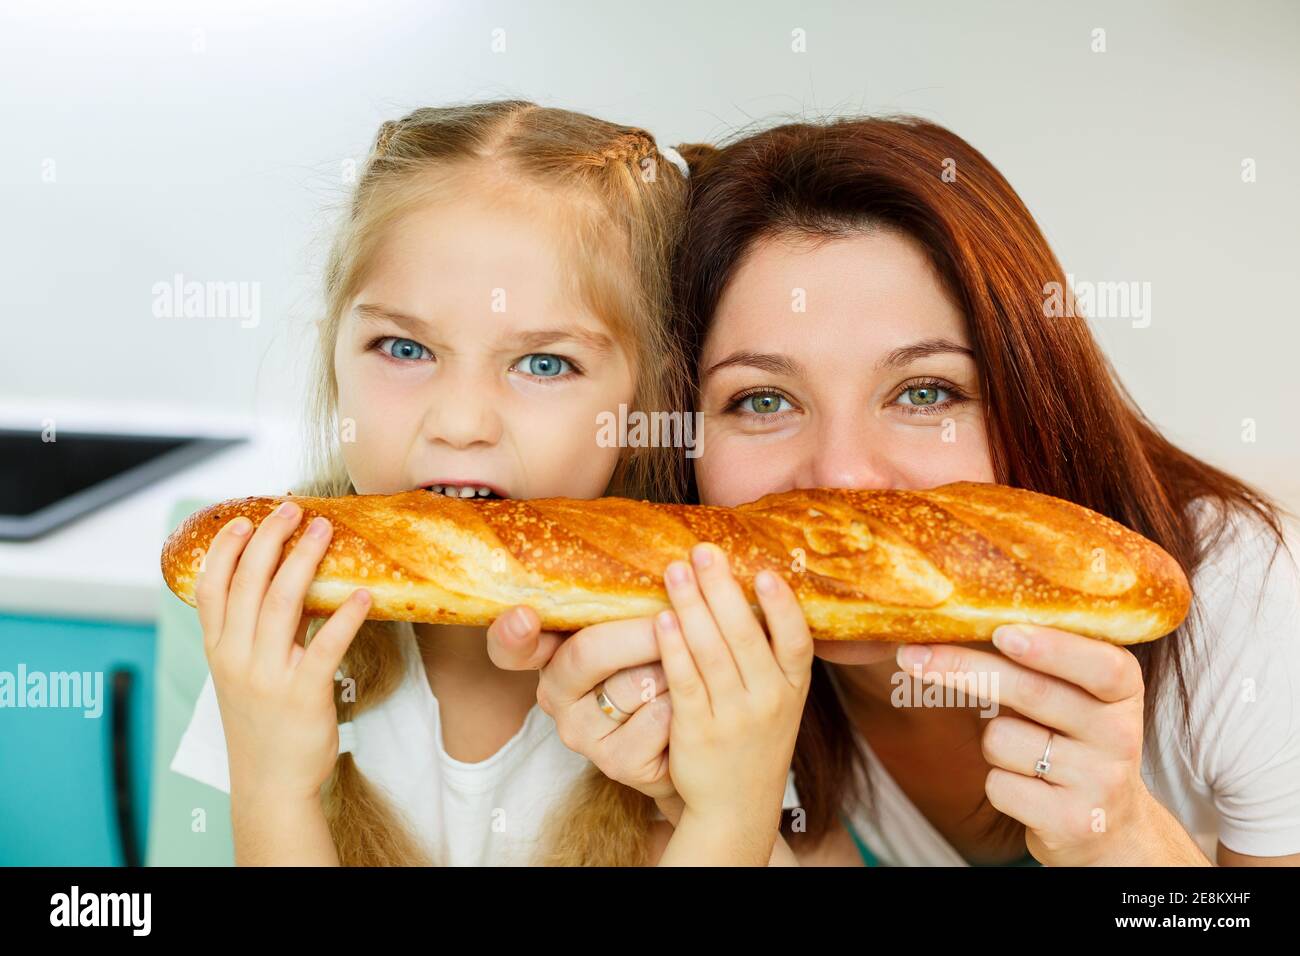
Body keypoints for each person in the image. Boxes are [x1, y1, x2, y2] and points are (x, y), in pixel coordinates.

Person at [486, 115, 1300, 866]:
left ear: (1030, 394)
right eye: (762, 401)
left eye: (924, 393)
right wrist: (707, 811)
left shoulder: (1242, 604)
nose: (843, 476)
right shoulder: (672, 689)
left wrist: (1124, 842)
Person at [169, 100, 810, 865]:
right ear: (332, 357)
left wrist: (728, 814)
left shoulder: (711, 658)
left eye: (543, 364)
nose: (462, 421)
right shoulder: (281, 642)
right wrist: (275, 788)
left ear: (648, 401)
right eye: (404, 348)